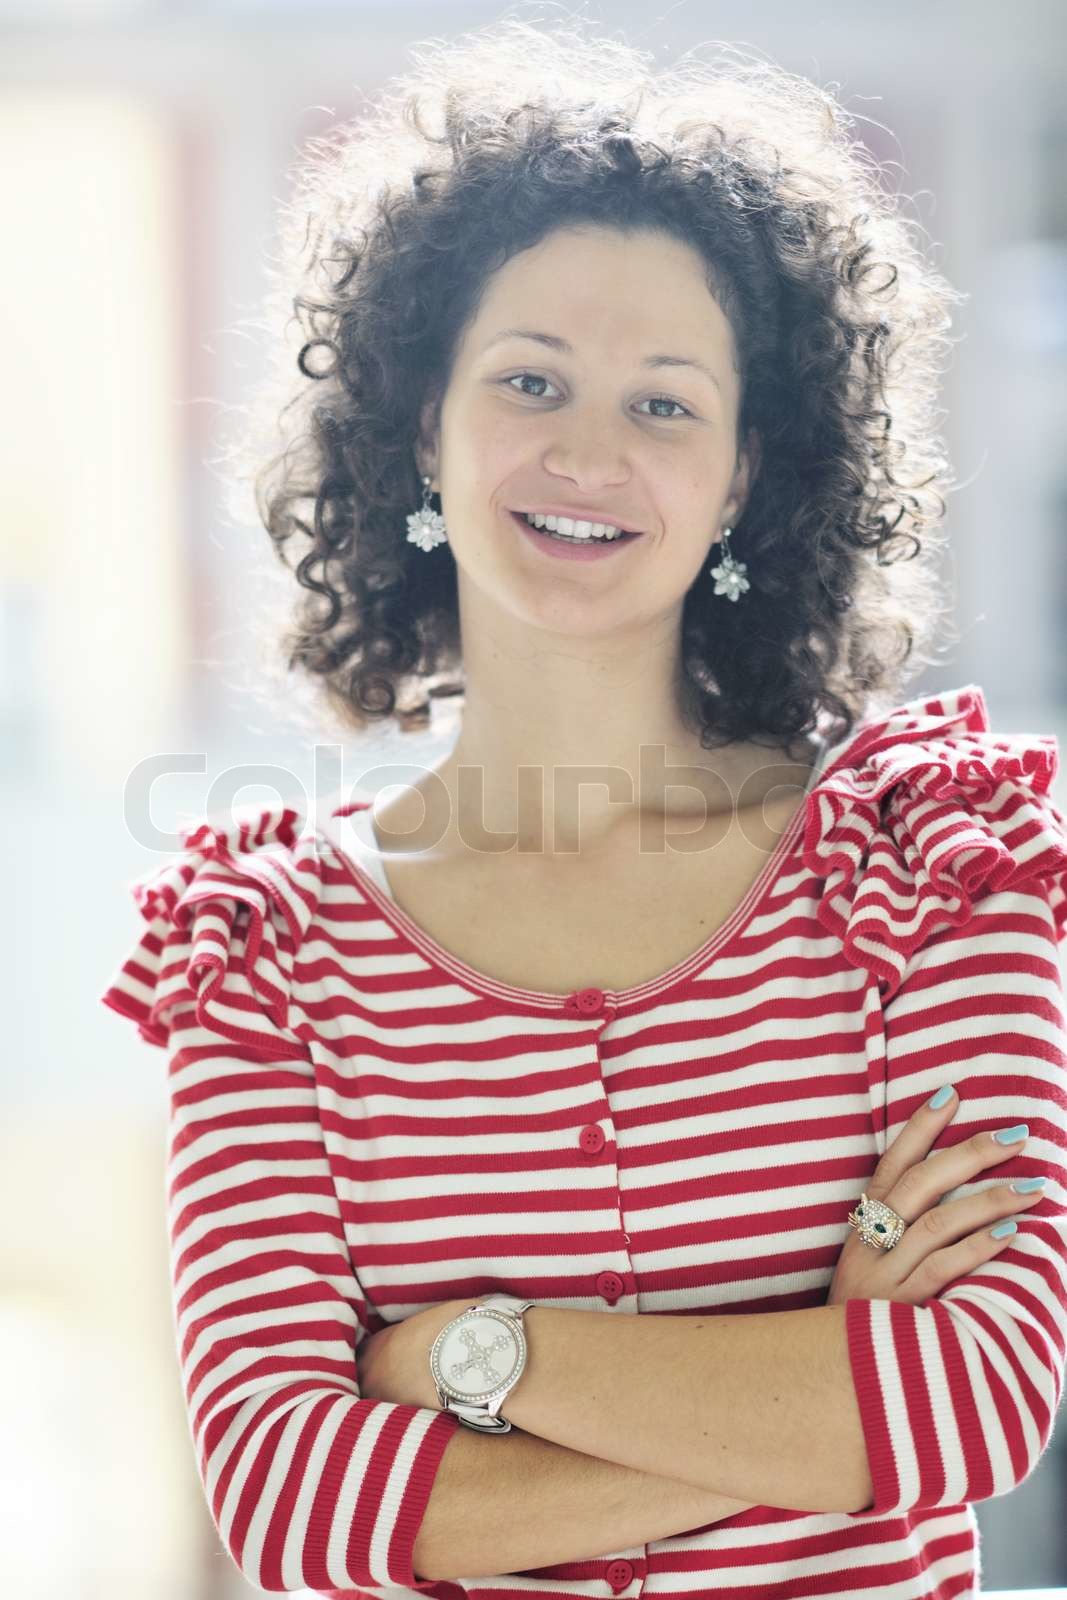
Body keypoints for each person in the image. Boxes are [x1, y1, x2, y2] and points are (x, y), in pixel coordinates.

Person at [100, 16, 1067, 1598]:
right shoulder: (263, 952)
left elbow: (980, 1398)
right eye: (531, 381)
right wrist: (826, 1381)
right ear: (425, 426)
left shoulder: (933, 862)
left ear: (744, 475)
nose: (590, 454)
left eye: (665, 405)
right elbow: (288, 1502)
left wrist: (462, 1356)